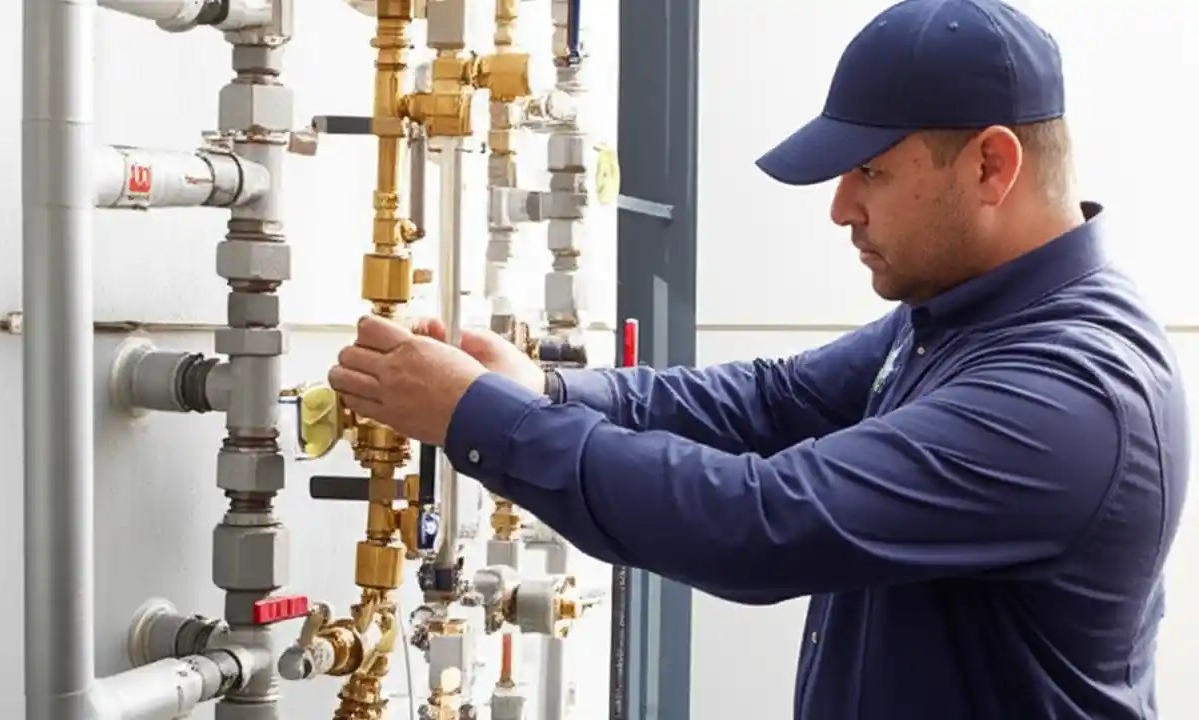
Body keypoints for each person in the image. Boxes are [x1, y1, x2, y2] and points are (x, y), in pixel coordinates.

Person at [328, 0, 1188, 717]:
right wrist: (547, 389)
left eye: (870, 173)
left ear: (991, 166)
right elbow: (771, 401)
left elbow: (763, 522)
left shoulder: (1068, 395)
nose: (840, 208)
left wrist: (479, 418)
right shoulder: (963, 316)